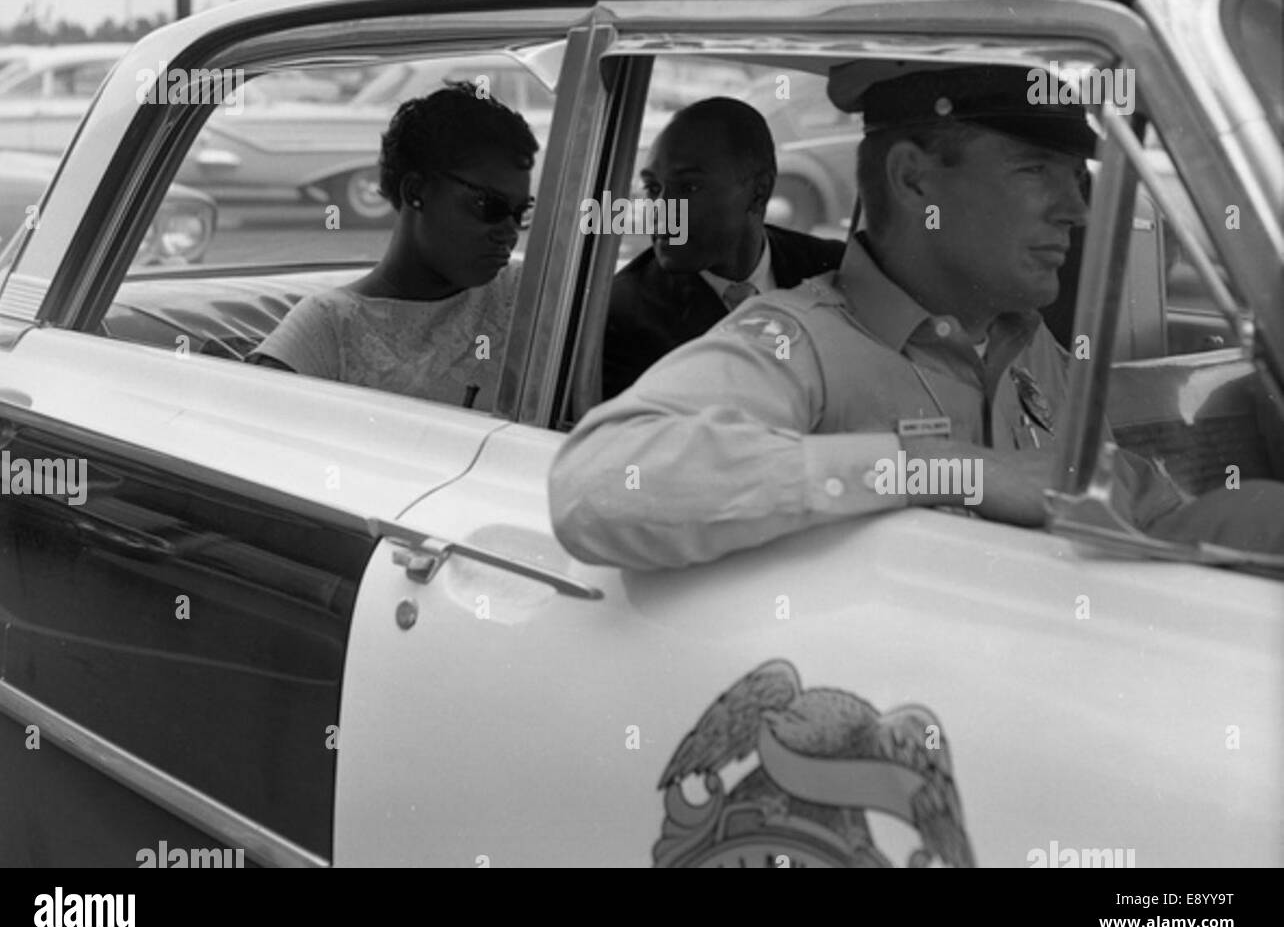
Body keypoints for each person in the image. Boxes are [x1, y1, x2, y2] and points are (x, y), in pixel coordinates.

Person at [550, 62, 1283, 569]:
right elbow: (598, 484)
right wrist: (956, 471)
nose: (1077, 207)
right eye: (1035, 171)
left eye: (1075, 177)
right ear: (912, 179)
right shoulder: (796, 342)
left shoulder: (1029, 346)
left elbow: (1140, 513)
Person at [250, 81, 536, 409]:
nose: (510, 232)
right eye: (490, 207)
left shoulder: (523, 293)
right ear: (417, 191)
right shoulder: (329, 328)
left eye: (519, 213)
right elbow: (255, 435)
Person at [603, 97, 845, 397]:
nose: (661, 212)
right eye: (654, 189)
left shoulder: (835, 271)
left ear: (759, 192)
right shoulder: (622, 317)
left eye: (689, 188)